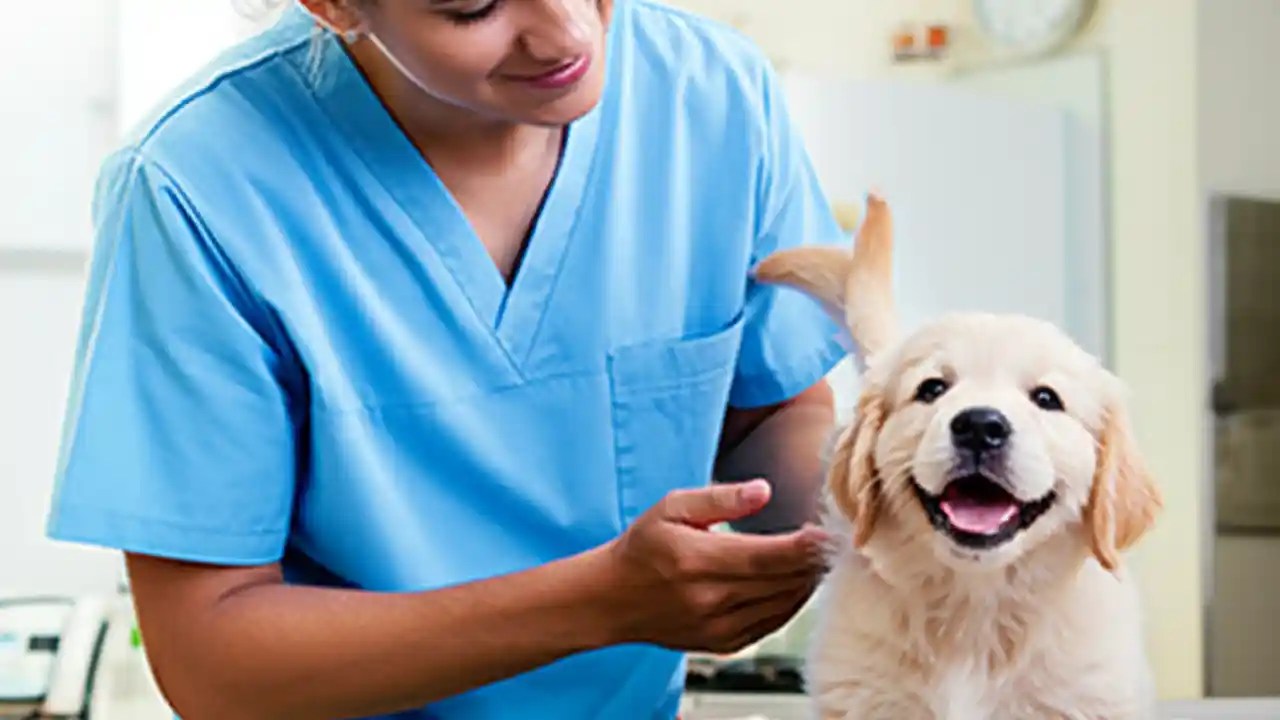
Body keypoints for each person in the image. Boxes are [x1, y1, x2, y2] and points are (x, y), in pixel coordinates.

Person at [45, 0, 851, 717]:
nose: (567, 29)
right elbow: (209, 659)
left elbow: (778, 404)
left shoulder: (713, 97)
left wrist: (784, 550)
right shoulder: (196, 188)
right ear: (331, 5)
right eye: (473, 8)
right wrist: (603, 602)